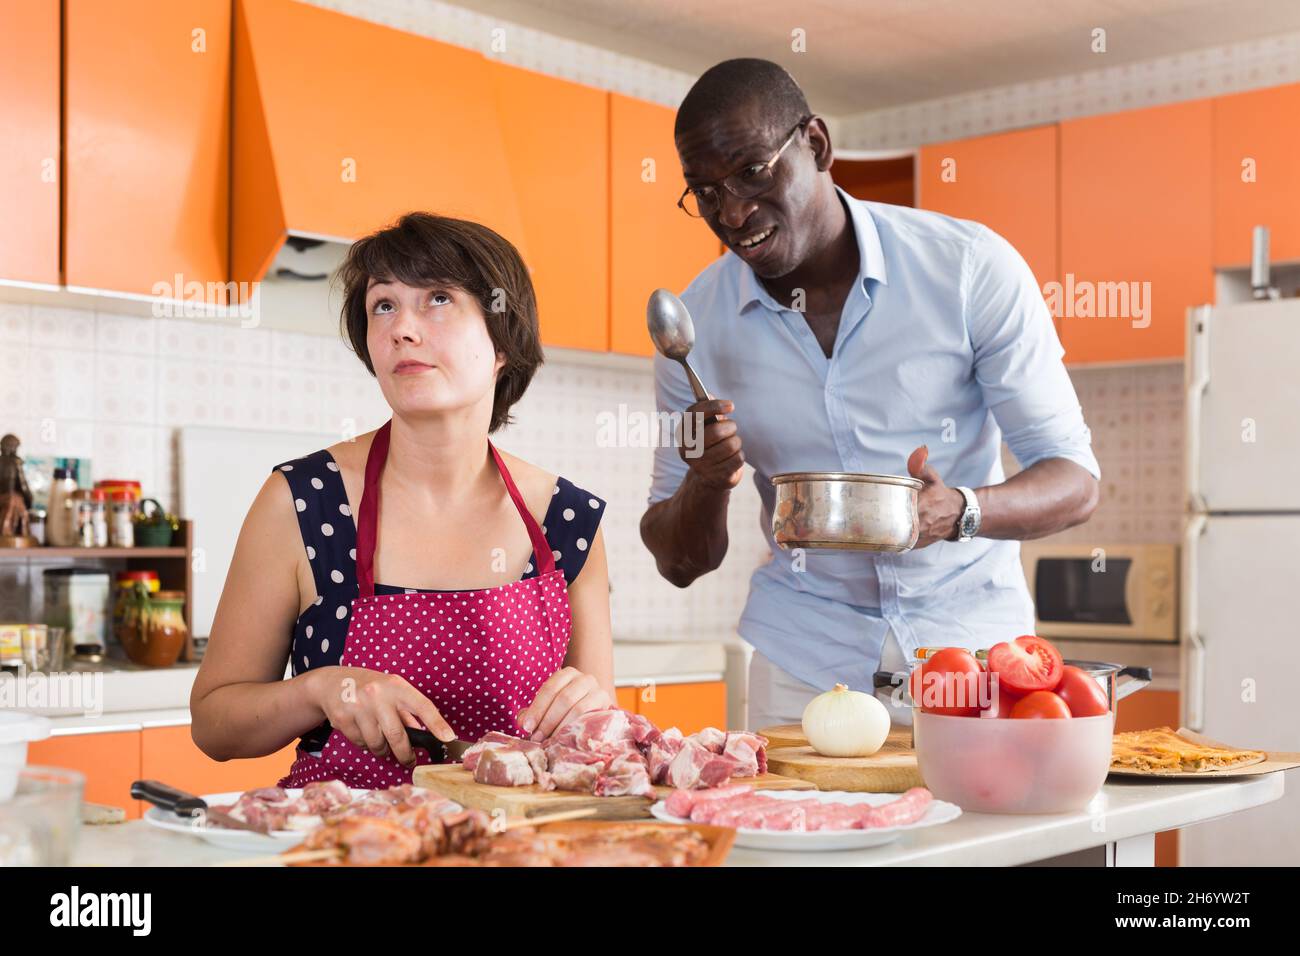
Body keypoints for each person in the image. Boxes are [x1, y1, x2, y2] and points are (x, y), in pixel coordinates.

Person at [640, 60, 1100, 731]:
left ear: (817, 146)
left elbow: (1075, 480)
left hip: (970, 654)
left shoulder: (968, 269)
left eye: (752, 173)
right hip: (803, 665)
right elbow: (678, 560)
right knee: (793, 834)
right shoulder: (694, 328)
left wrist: (962, 511)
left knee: (978, 837)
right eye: (705, 193)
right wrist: (709, 481)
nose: (733, 214)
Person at [192, 213, 615, 787]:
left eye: (438, 298)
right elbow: (215, 724)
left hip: (513, 846)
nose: (402, 329)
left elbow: (598, 734)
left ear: (502, 342)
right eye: (383, 305)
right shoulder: (302, 503)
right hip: (343, 845)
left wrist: (590, 707)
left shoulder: (566, 522)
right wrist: (324, 687)